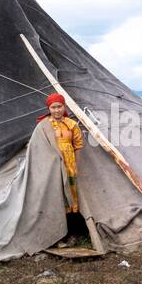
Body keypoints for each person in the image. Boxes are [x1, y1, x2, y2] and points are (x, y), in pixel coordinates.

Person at [37, 93, 86, 243]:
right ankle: (57, 233)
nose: (57, 110)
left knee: (71, 195)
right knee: (56, 194)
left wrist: (76, 165)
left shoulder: (71, 124)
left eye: (59, 107)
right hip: (52, 165)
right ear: (49, 108)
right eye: (53, 107)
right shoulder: (44, 125)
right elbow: (38, 146)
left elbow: (78, 146)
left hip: (69, 164)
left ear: (64, 107)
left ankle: (74, 232)